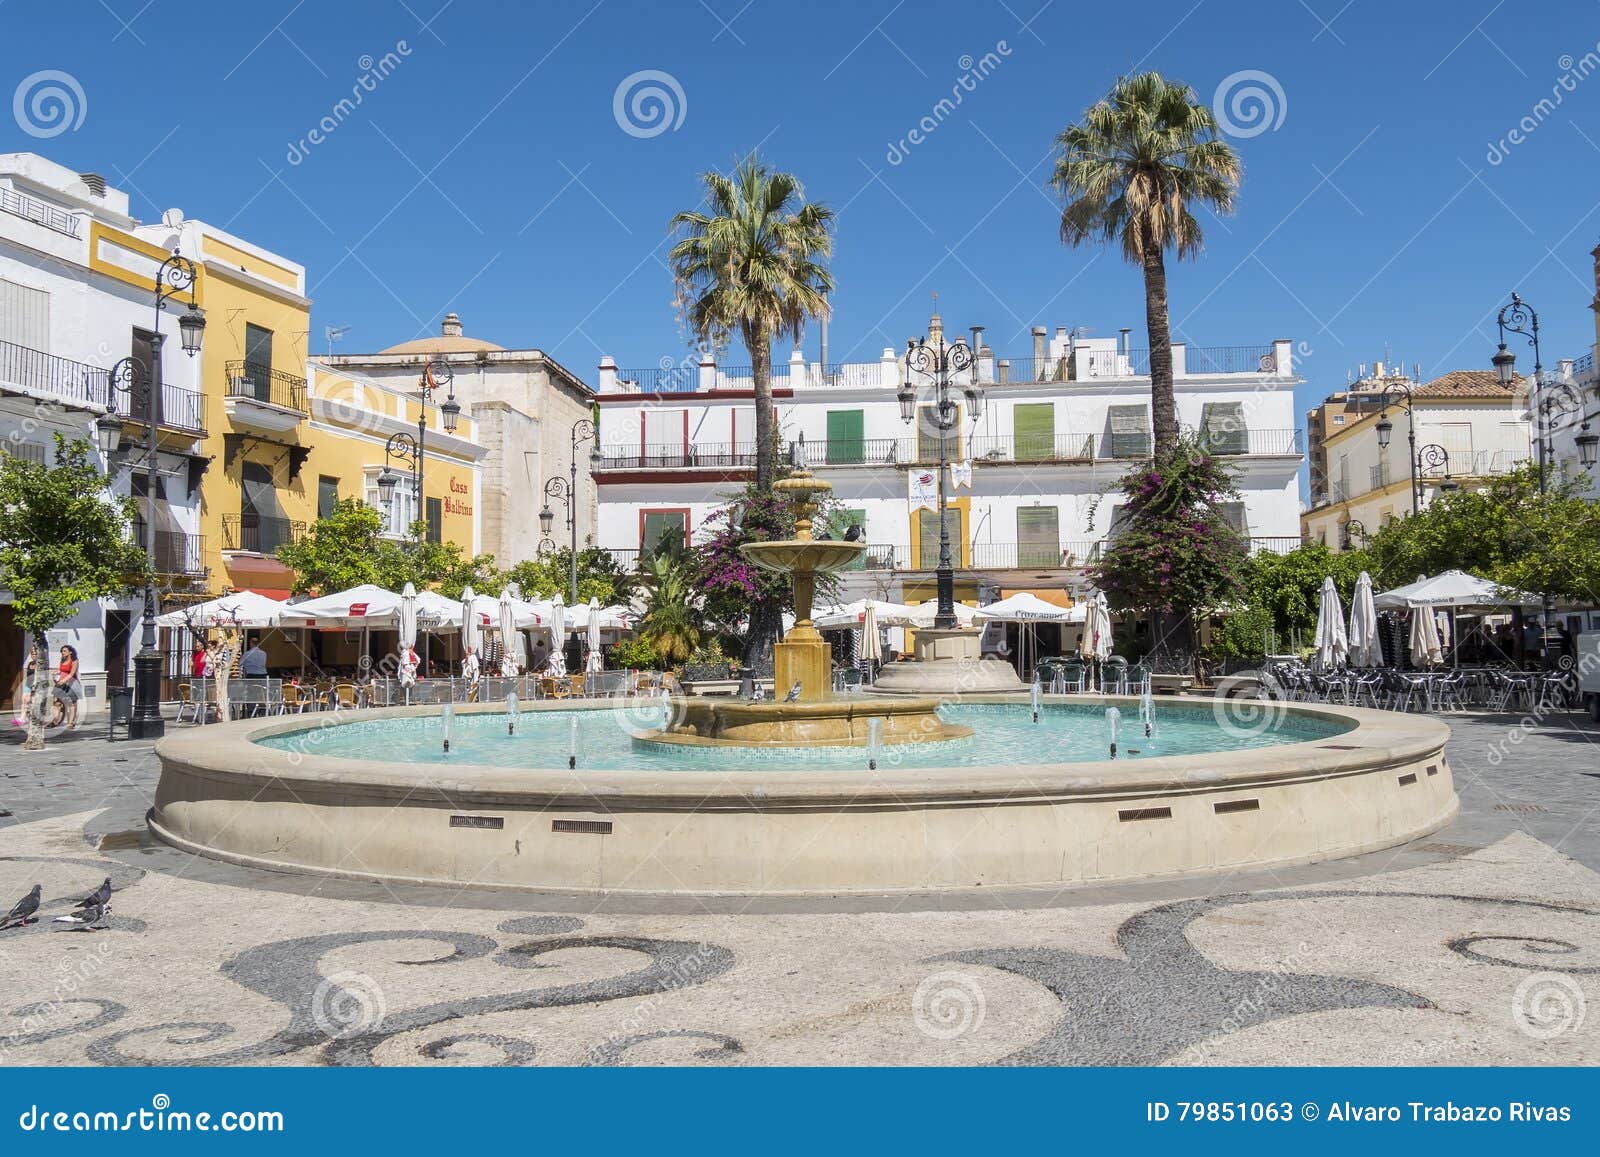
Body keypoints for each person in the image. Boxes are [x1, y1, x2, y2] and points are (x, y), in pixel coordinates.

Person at [52, 644, 81, 729]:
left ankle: (71, 723)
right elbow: (61, 670)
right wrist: (56, 672)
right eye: (62, 651)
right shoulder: (62, 660)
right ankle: (55, 721)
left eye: (64, 651)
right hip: (61, 683)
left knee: (72, 703)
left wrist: (64, 680)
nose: (62, 652)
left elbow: (72, 673)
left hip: (72, 684)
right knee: (57, 702)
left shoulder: (74, 661)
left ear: (70, 652)